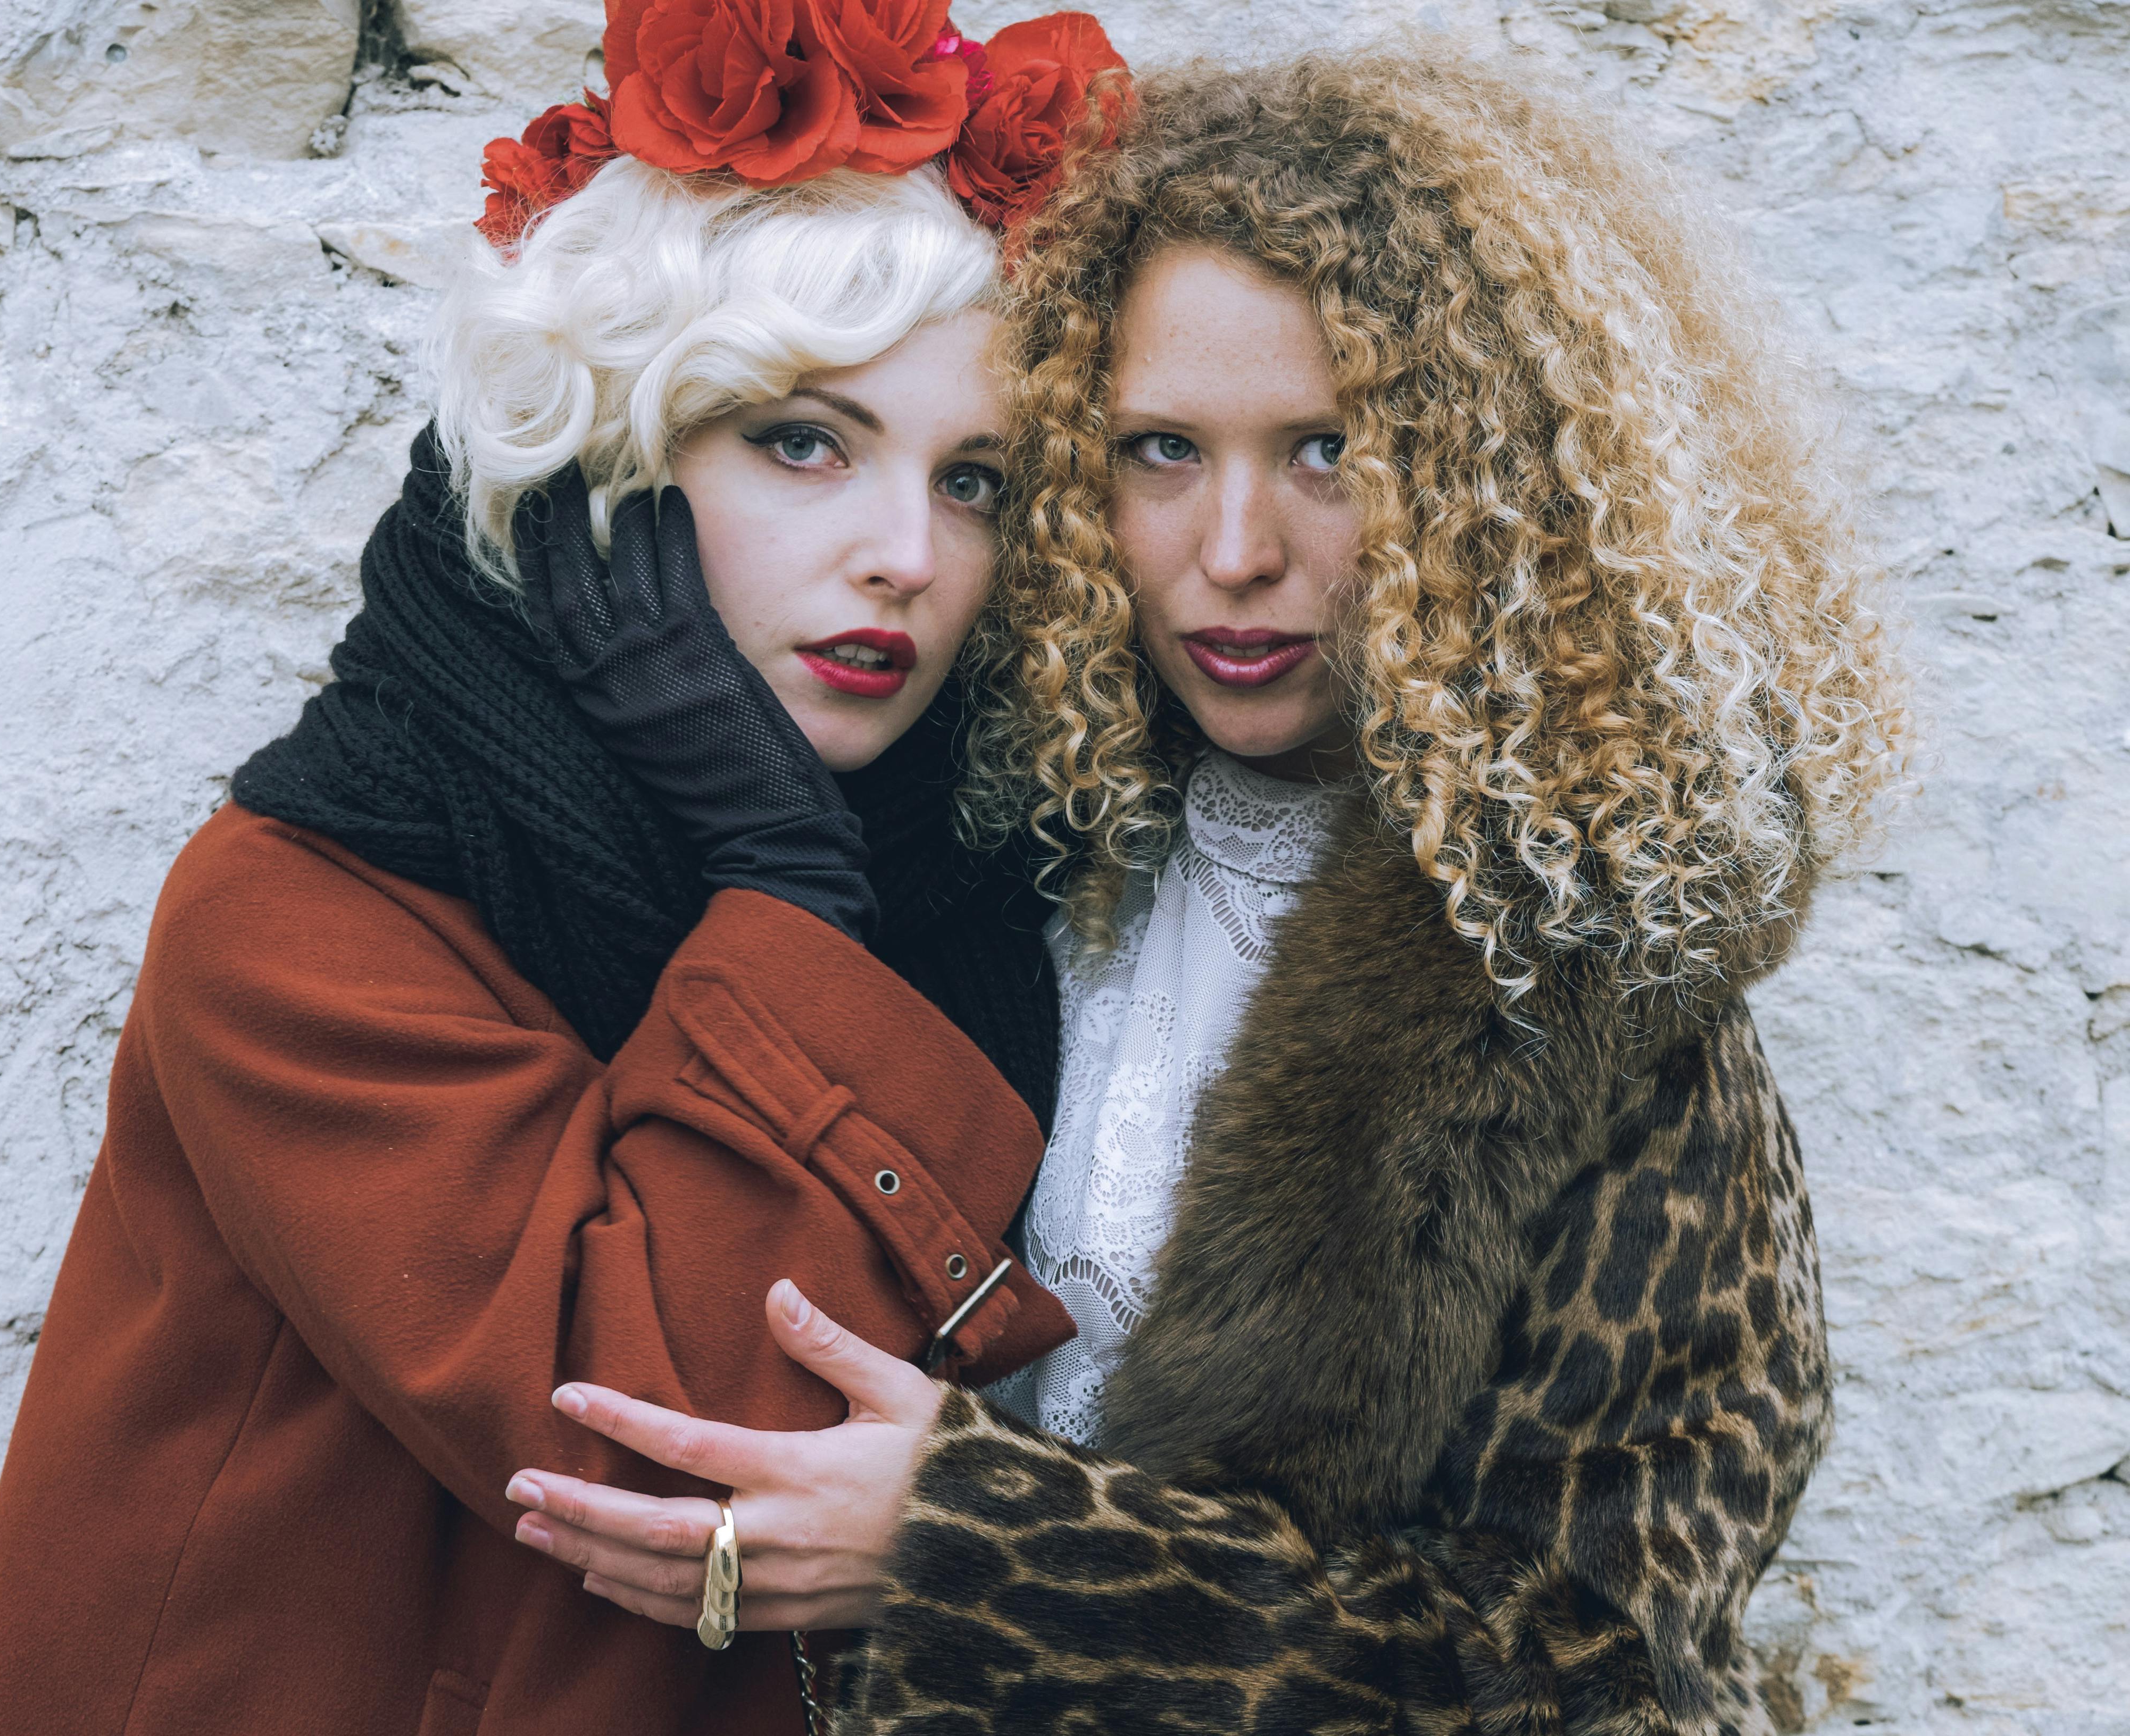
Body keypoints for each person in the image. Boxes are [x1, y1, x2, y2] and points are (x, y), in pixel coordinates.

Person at [500, 44, 1911, 1735]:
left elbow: (1588, 1671)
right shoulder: (990, 841)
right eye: (1158, 450)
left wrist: (975, 1548)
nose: (1235, 548)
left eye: (1328, 450)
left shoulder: (1593, 986)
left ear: (1488, 479)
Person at [0, 8, 1128, 1734]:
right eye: (802, 441)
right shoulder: (299, 914)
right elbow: (688, 1428)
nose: (907, 557)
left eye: (980, 482)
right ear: (607, 474)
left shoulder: (984, 873)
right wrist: (781, 870)